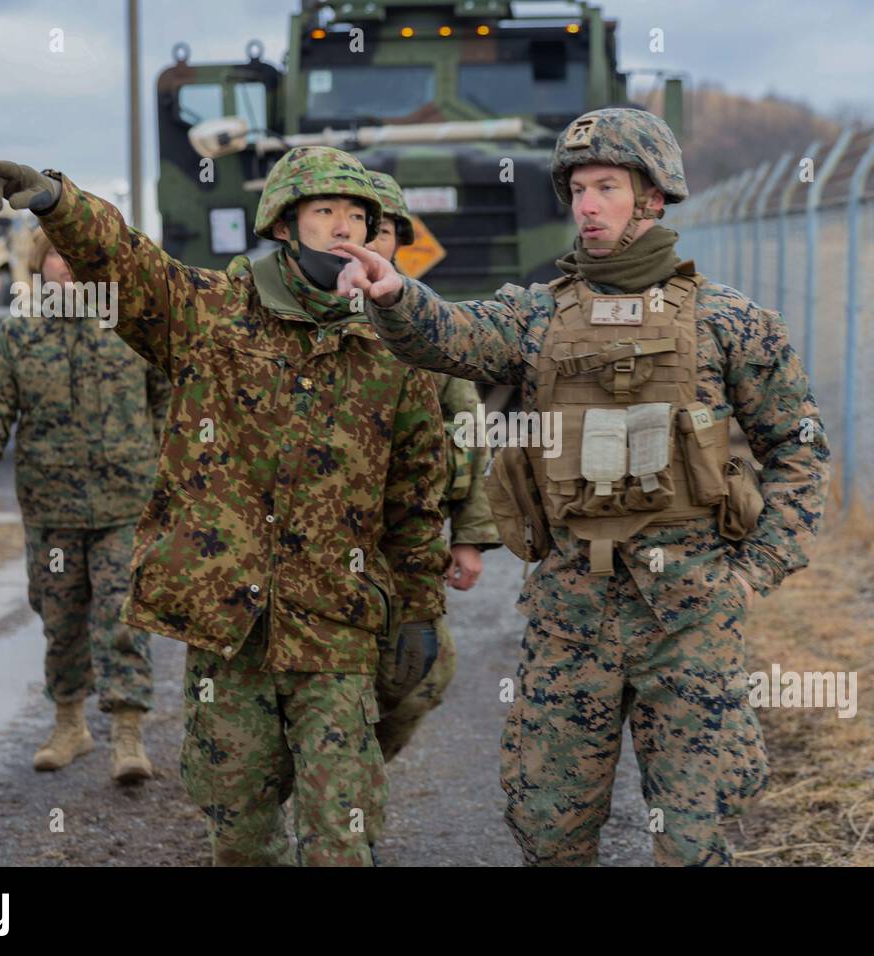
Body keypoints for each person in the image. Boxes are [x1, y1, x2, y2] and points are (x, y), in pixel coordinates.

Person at [335, 108, 831, 866]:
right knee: (551, 835)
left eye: (608, 186)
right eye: (577, 189)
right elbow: (452, 337)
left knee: (693, 843)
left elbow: (798, 452)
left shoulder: (733, 323)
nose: (588, 205)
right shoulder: (536, 316)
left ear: (654, 197)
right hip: (571, 616)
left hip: (692, 617)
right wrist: (395, 293)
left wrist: (753, 574)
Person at [0, 148, 449, 867]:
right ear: (285, 225)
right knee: (242, 833)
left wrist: (418, 608)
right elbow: (126, 267)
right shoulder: (213, 314)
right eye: (326, 213)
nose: (345, 228)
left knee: (340, 837)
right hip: (230, 631)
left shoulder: (390, 342)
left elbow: (416, 494)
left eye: (359, 217)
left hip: (338, 633)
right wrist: (56, 203)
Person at [0, 229, 167, 783]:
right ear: (39, 266)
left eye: (76, 254)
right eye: (54, 255)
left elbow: (167, 403)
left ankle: (128, 735)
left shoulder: (132, 328)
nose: (66, 266)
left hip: (125, 502)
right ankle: (70, 725)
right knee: (60, 616)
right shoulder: (18, 335)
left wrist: (171, 476)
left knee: (122, 615)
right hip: (51, 507)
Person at [364, 171, 501, 761]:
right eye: (359, 226)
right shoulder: (294, 317)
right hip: (318, 547)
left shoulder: (420, 319)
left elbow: (468, 431)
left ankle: (357, 767)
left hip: (408, 544)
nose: (373, 239)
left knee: (423, 677)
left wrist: (470, 537)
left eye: (386, 229)